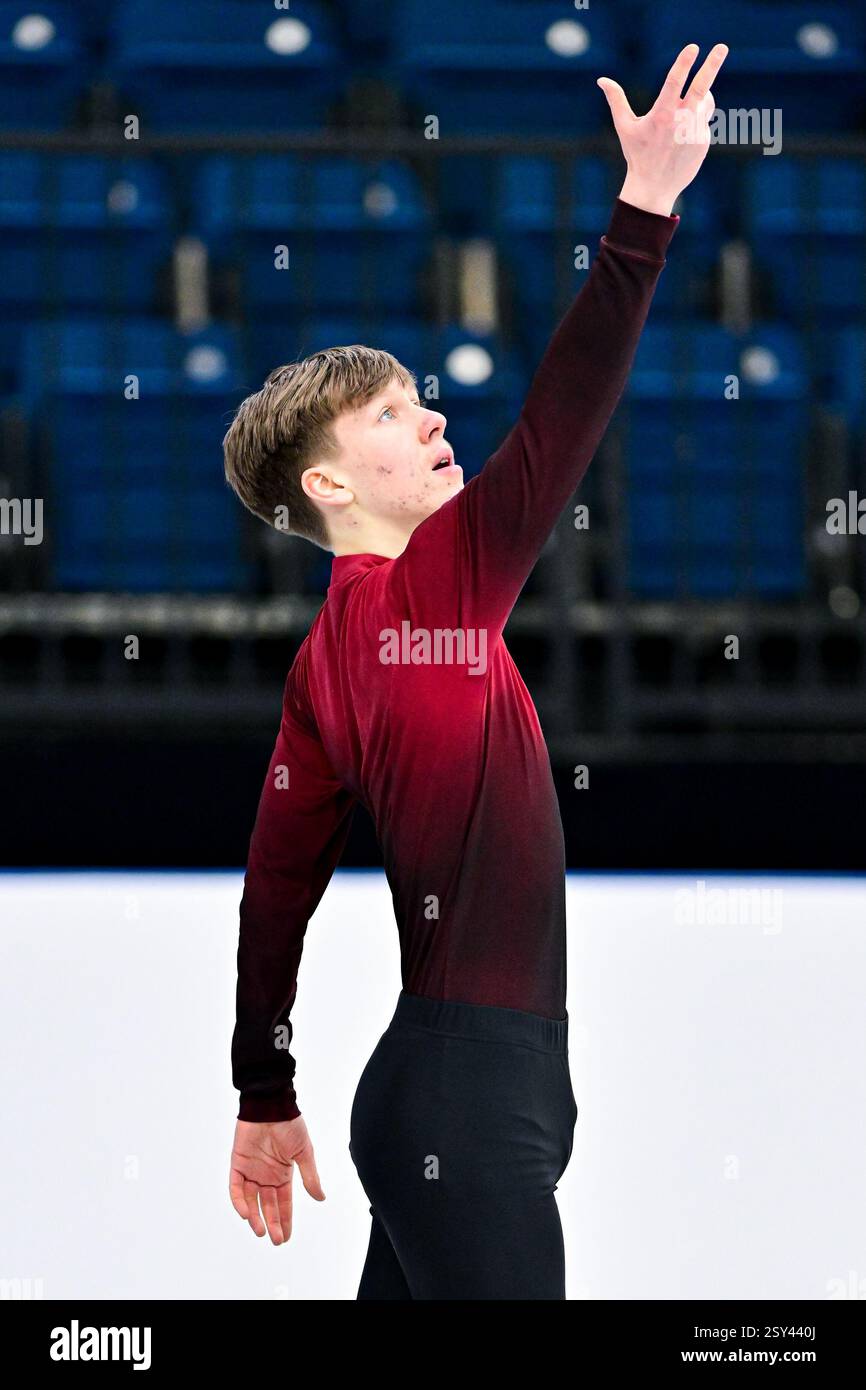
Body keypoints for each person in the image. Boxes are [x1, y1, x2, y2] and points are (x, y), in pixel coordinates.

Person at [224, 42, 728, 1299]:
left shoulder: (328, 656)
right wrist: (643, 211)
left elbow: (275, 887)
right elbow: (557, 428)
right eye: (392, 414)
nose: (434, 417)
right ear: (328, 484)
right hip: (464, 1104)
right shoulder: (428, 591)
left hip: (445, 1100)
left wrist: (264, 1087)